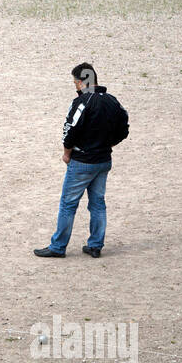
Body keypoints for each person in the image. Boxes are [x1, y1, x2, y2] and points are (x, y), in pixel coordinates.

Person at [34, 64, 129, 259]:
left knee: (68, 204)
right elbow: (124, 126)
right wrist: (109, 144)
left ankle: (58, 247)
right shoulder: (112, 101)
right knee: (98, 203)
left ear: (80, 81)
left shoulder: (81, 103)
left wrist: (66, 153)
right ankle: (95, 245)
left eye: (75, 82)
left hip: (82, 161)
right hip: (103, 160)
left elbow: (70, 129)